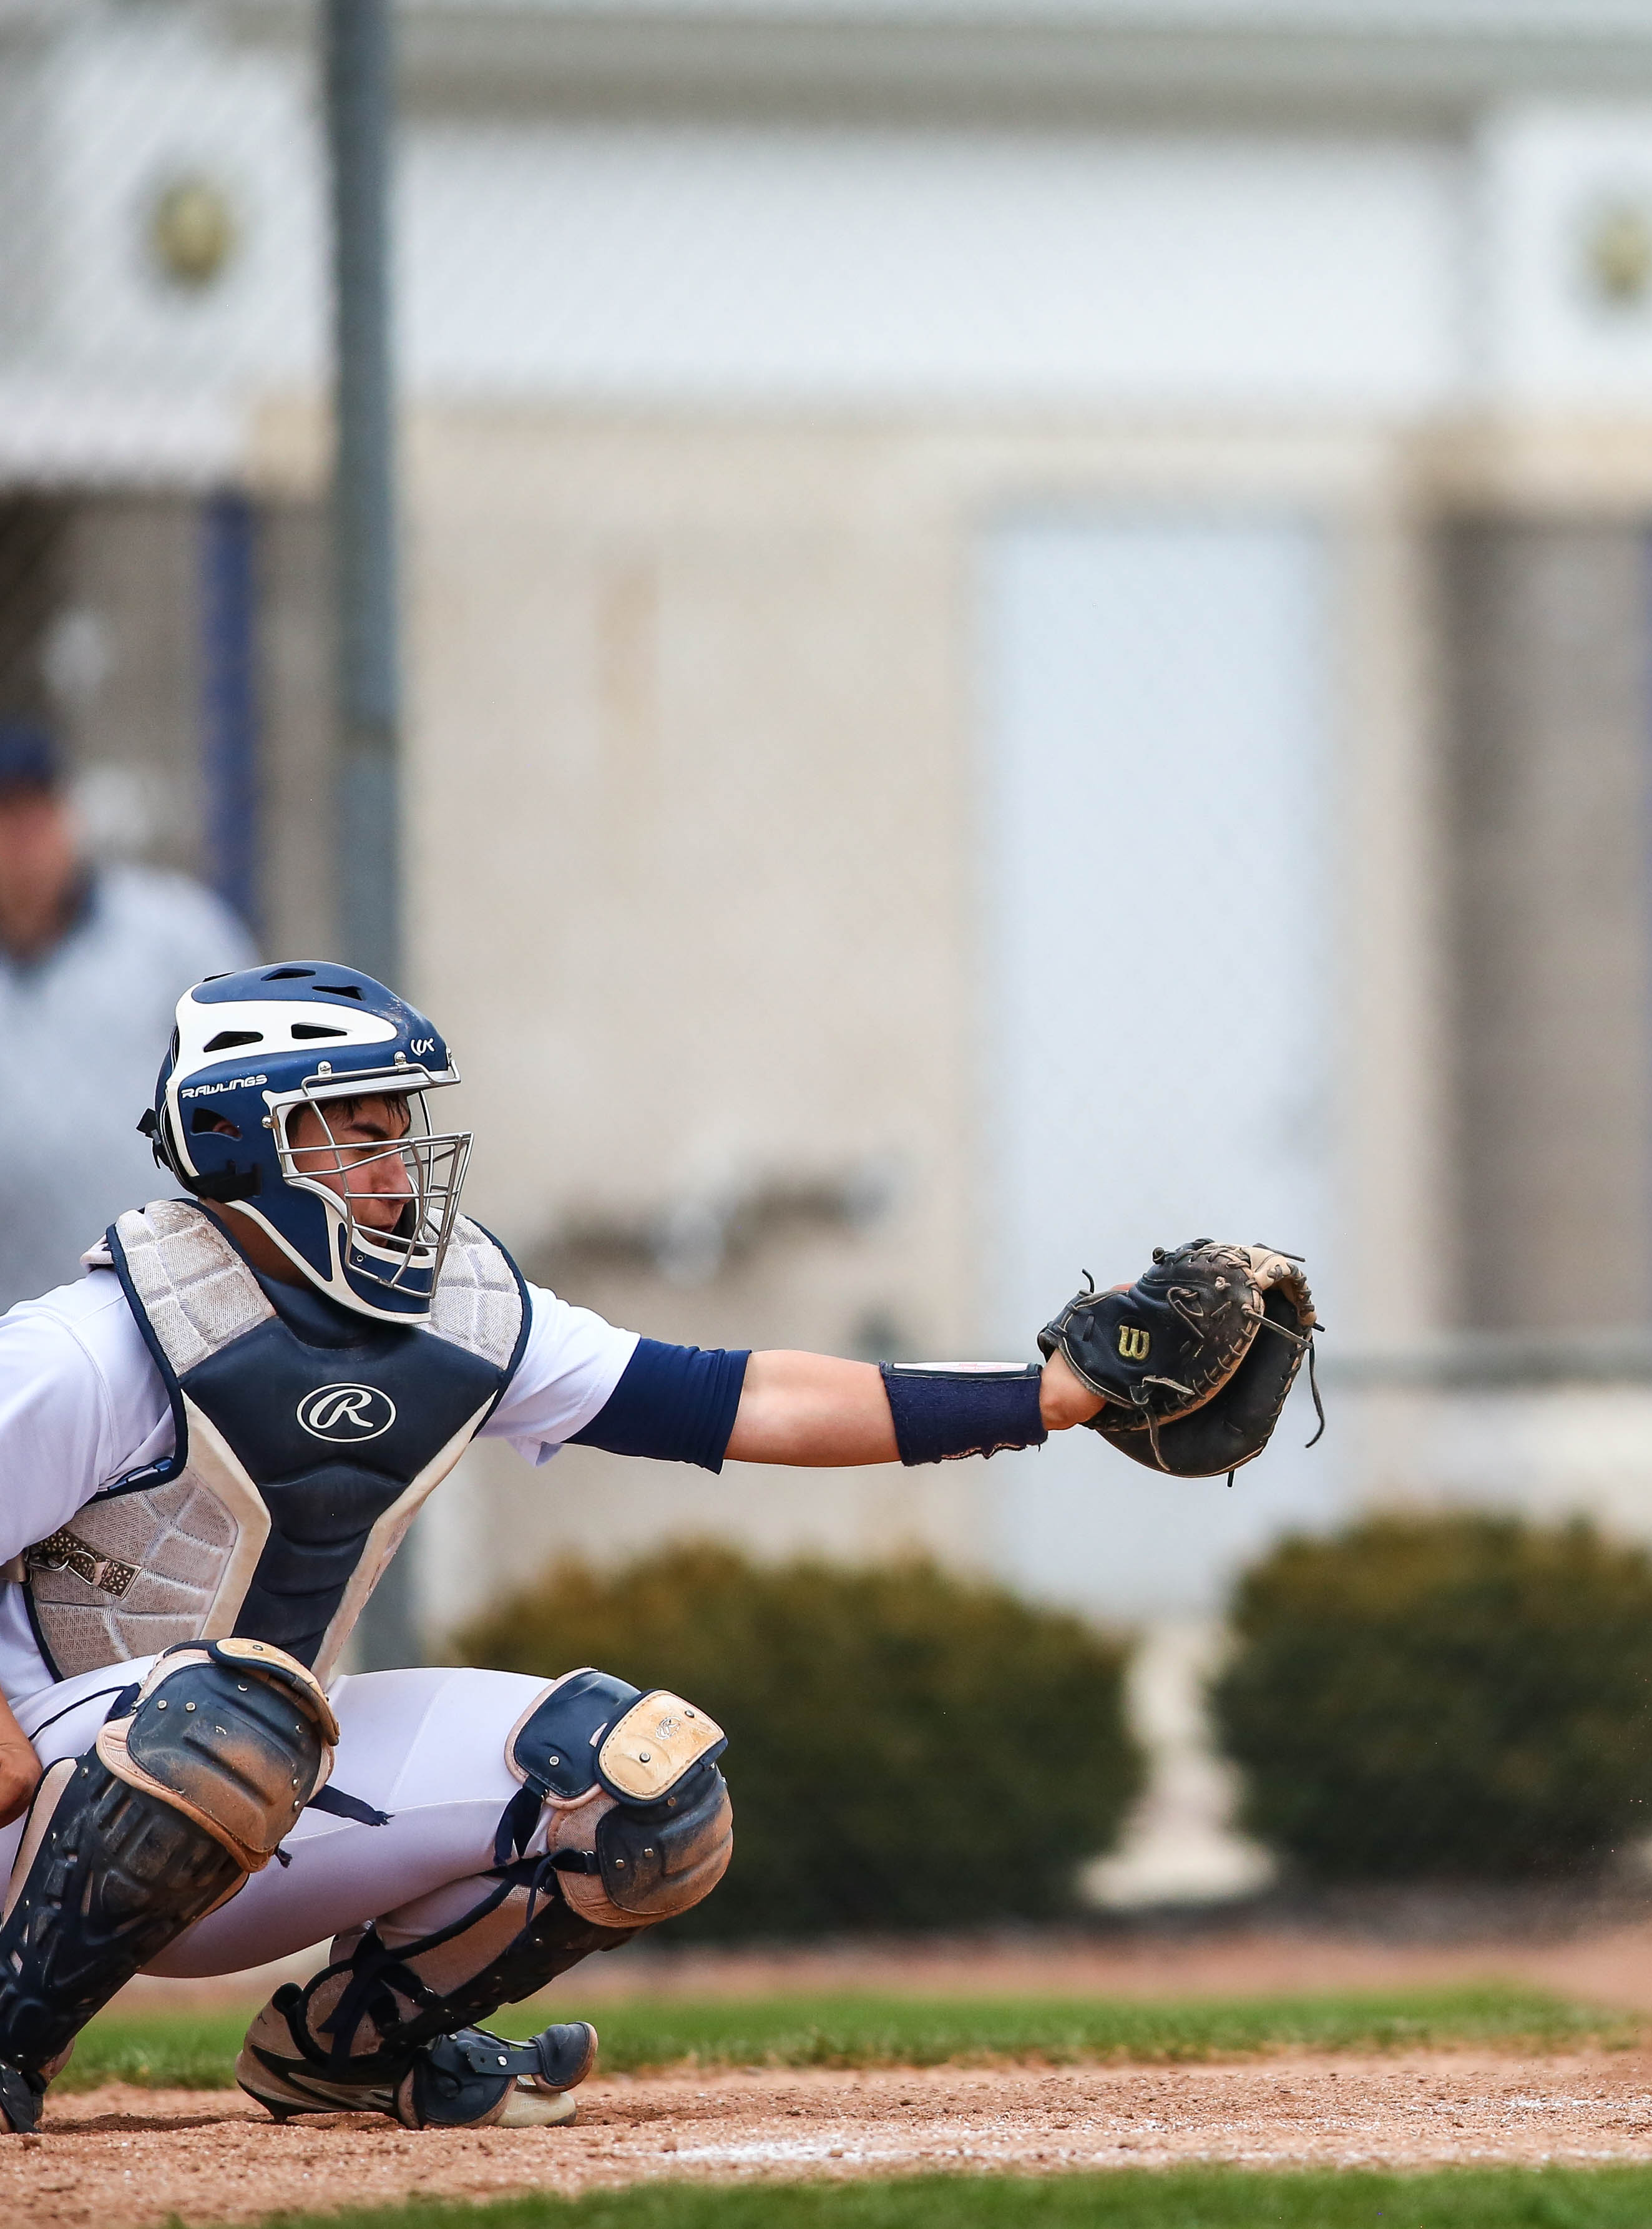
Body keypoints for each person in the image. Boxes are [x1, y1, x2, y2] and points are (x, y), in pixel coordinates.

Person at [0, 961, 1303, 2133]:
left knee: (641, 1786)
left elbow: (740, 1398)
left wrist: (1045, 1399)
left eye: (397, 1126)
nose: (395, 1168)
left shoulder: (462, 1316)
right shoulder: (99, 1342)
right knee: (238, 1710)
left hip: (249, 1770)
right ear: (238, 1141)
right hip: (35, 1814)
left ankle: (352, 2050)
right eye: (352, 1133)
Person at [0, 720, 255, 1308]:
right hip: (15, 1312)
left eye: (35, 813)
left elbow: (256, 1087)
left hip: (169, 1304)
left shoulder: (173, 933)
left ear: (67, 815)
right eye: (5, 817)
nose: (22, 840)